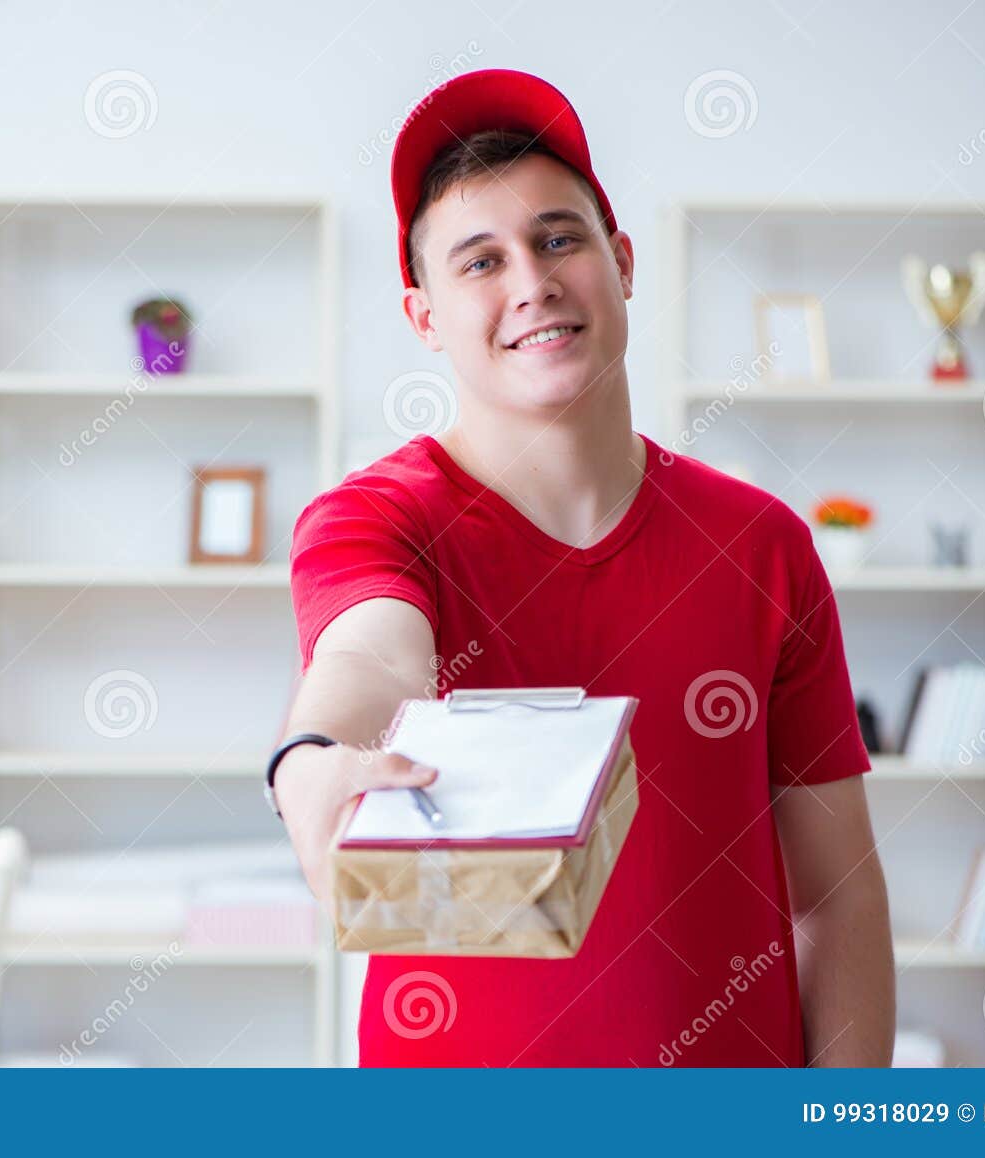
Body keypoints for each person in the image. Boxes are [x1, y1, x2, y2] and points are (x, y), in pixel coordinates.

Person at [266, 69, 893, 1067]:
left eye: (559, 238)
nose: (531, 281)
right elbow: (371, 661)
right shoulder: (377, 519)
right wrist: (309, 764)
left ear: (623, 262)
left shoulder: (761, 543)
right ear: (422, 316)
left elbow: (837, 893)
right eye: (479, 261)